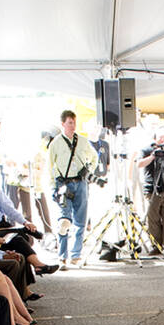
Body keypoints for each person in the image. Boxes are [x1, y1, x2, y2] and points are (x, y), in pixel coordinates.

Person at [47, 110, 99, 268]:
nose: (72, 126)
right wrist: (53, 186)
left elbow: (94, 156)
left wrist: (89, 169)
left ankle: (76, 255)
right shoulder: (55, 143)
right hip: (64, 183)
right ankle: (62, 256)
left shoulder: (82, 141)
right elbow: (49, 166)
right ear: (63, 124)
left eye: (74, 123)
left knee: (80, 221)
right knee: (64, 220)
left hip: (81, 182)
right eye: (70, 123)